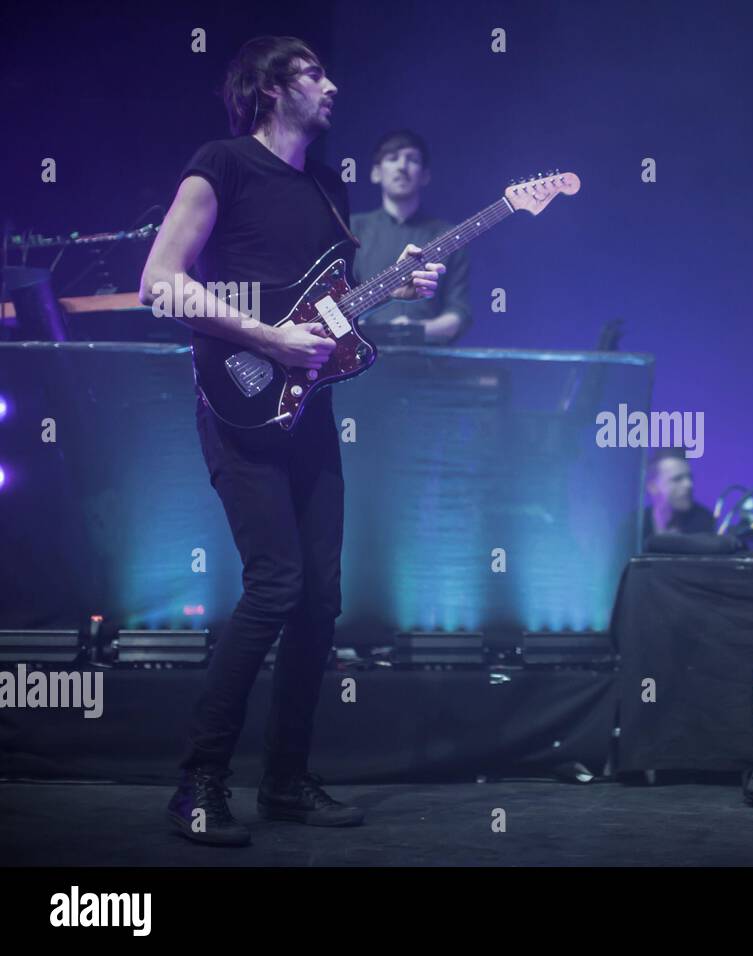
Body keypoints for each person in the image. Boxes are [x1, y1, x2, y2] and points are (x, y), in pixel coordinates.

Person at [139, 35, 445, 846]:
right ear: (272, 88)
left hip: (305, 411)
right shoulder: (224, 162)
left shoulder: (328, 189)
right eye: (314, 72)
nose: (332, 85)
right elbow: (159, 284)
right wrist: (267, 340)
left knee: (320, 598)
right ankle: (197, 783)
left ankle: (285, 779)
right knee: (275, 585)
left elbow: (333, 312)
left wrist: (403, 282)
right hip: (236, 403)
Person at [350, 129, 471, 343]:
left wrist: (415, 331)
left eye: (412, 160)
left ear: (425, 175)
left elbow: (458, 312)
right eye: (392, 158)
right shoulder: (352, 228)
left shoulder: (448, 235)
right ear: (376, 173)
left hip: (425, 365)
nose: (402, 166)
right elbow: (335, 299)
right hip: (361, 361)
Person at [640, 448, 715, 543]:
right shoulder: (635, 527)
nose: (688, 485)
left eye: (689, 477)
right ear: (652, 486)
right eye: (677, 479)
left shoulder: (705, 522)